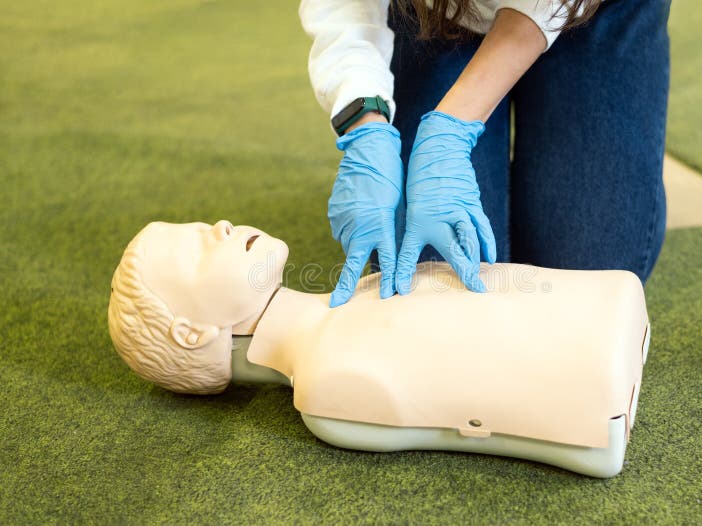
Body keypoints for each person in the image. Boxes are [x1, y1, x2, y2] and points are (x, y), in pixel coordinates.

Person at [107, 219, 648, 478]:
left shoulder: (351, 306)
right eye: (195, 246)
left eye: (202, 225)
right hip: (588, 364)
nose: (219, 225)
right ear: (191, 334)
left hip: (599, 311)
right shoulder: (326, 386)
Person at [298, 0, 670, 307]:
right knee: (435, 293)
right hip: (435, 17)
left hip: (590, 16)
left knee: (584, 284)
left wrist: (450, 128)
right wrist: (364, 124)